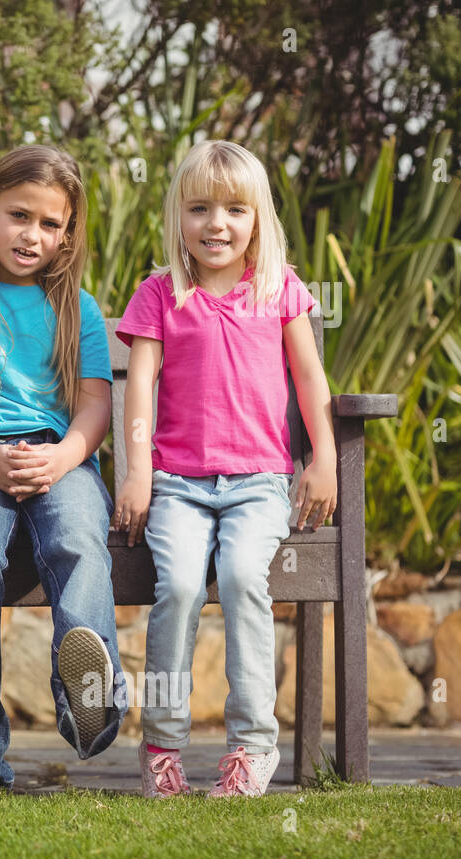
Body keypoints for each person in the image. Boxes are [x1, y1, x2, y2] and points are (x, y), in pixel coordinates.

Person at [114, 140, 335, 798]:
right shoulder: (160, 293)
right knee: (178, 587)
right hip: (177, 486)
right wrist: (136, 471)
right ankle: (162, 748)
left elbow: (310, 379)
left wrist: (322, 457)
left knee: (242, 578)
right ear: (178, 216)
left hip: (260, 484)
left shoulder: (279, 289)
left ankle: (252, 746)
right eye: (200, 208)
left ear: (257, 219)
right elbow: (139, 389)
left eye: (235, 209)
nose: (217, 223)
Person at [0, 145, 125, 799]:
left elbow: (95, 403)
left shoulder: (77, 309)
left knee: (80, 541)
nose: (31, 235)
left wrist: (63, 458)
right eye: (18, 215)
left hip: (60, 460)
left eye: (50, 224)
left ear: (67, 234)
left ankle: (87, 699)